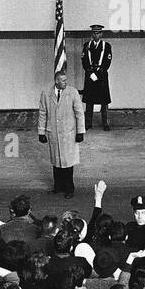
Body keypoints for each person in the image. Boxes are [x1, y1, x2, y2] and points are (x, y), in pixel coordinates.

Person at [37, 68, 85, 196]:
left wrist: (80, 131)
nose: (65, 82)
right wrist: (41, 132)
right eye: (63, 80)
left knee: (68, 163)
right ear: (56, 81)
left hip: (69, 134)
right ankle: (57, 187)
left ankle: (69, 189)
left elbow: (79, 113)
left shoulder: (72, 92)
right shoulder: (46, 93)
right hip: (53, 133)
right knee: (56, 162)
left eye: (66, 80)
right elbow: (42, 113)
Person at [80, 25, 112, 132]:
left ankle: (105, 123)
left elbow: (107, 62)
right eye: (94, 33)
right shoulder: (86, 45)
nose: (96, 35)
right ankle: (88, 123)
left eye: (98, 33)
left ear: (101, 34)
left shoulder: (106, 46)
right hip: (90, 75)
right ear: (92, 34)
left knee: (104, 101)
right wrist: (90, 73)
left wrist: (97, 74)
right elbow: (84, 61)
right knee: (89, 101)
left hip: (102, 76)